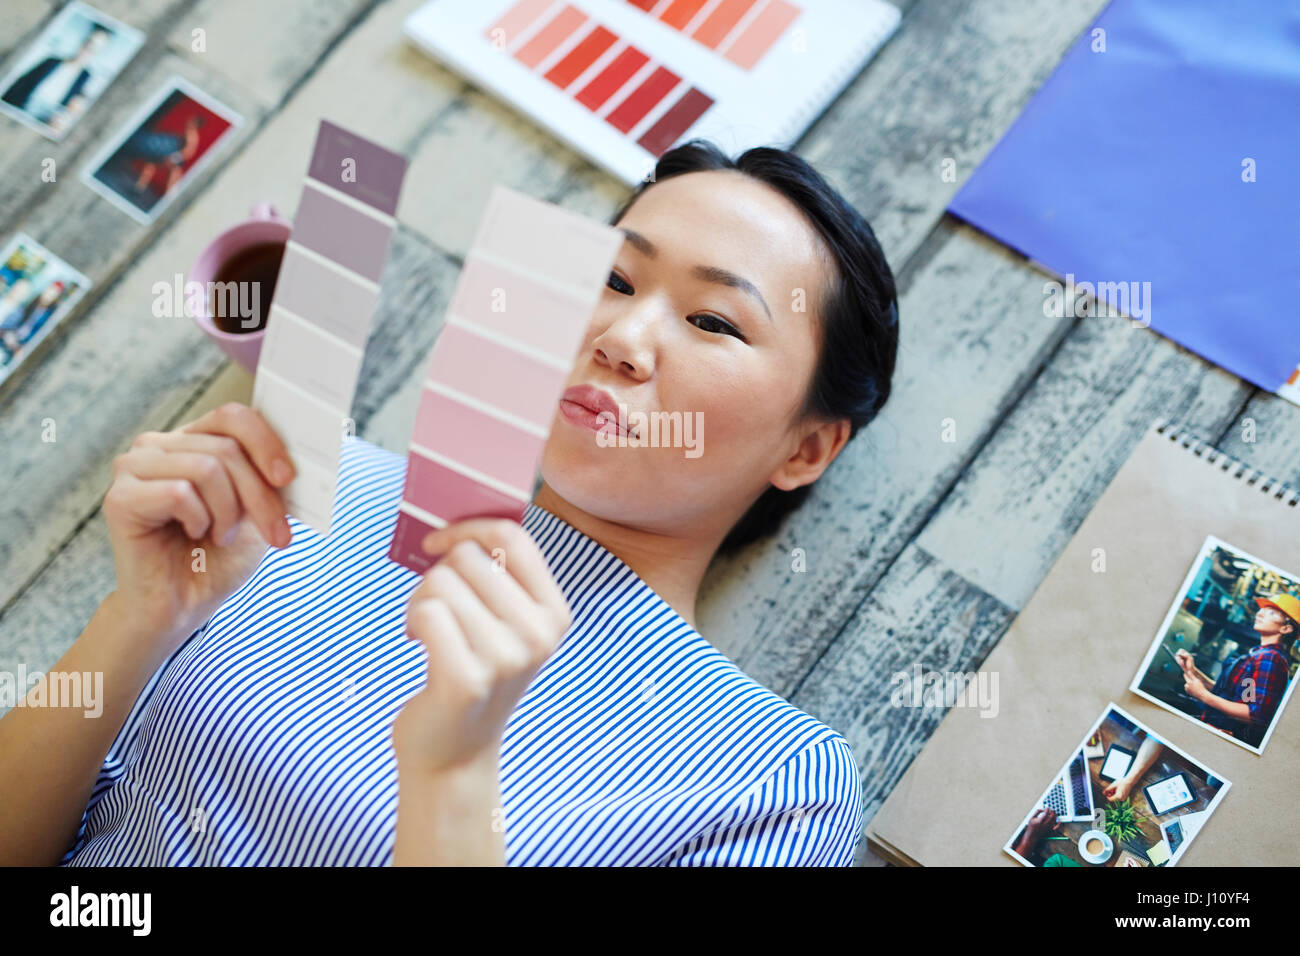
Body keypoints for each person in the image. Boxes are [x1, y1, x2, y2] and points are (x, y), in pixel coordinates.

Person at [0, 139, 900, 866]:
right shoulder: (316, 483)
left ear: (807, 446)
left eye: (713, 321)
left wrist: (455, 777)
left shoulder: (773, 784)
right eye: (615, 280)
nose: (621, 338)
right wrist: (138, 614)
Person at [1177, 593, 1297, 748]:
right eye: (1263, 610)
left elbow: (1255, 715)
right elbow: (1236, 696)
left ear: (1286, 628)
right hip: (1215, 728)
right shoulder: (1260, 654)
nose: (1259, 613)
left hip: (1224, 738)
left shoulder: (1270, 659)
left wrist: (1203, 695)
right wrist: (1193, 671)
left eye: (1271, 612)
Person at [1, 24, 112, 133]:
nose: (87, 50)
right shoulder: (52, 61)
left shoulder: (86, 79)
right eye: (88, 43)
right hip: (19, 110)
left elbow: (74, 112)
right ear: (83, 41)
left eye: (94, 48)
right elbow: (18, 86)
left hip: (44, 125)